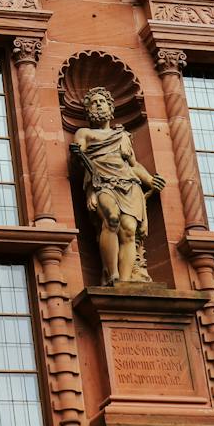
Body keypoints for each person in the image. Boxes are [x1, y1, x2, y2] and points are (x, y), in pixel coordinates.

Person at [72, 86, 165, 284]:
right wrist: (90, 190)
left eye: (102, 101)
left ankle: (124, 281)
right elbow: (81, 160)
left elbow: (133, 164)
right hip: (102, 184)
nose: (98, 105)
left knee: (129, 230)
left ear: (110, 107)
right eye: (94, 102)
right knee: (111, 219)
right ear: (88, 110)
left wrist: (149, 179)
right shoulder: (85, 133)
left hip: (128, 184)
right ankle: (111, 274)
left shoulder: (122, 136)